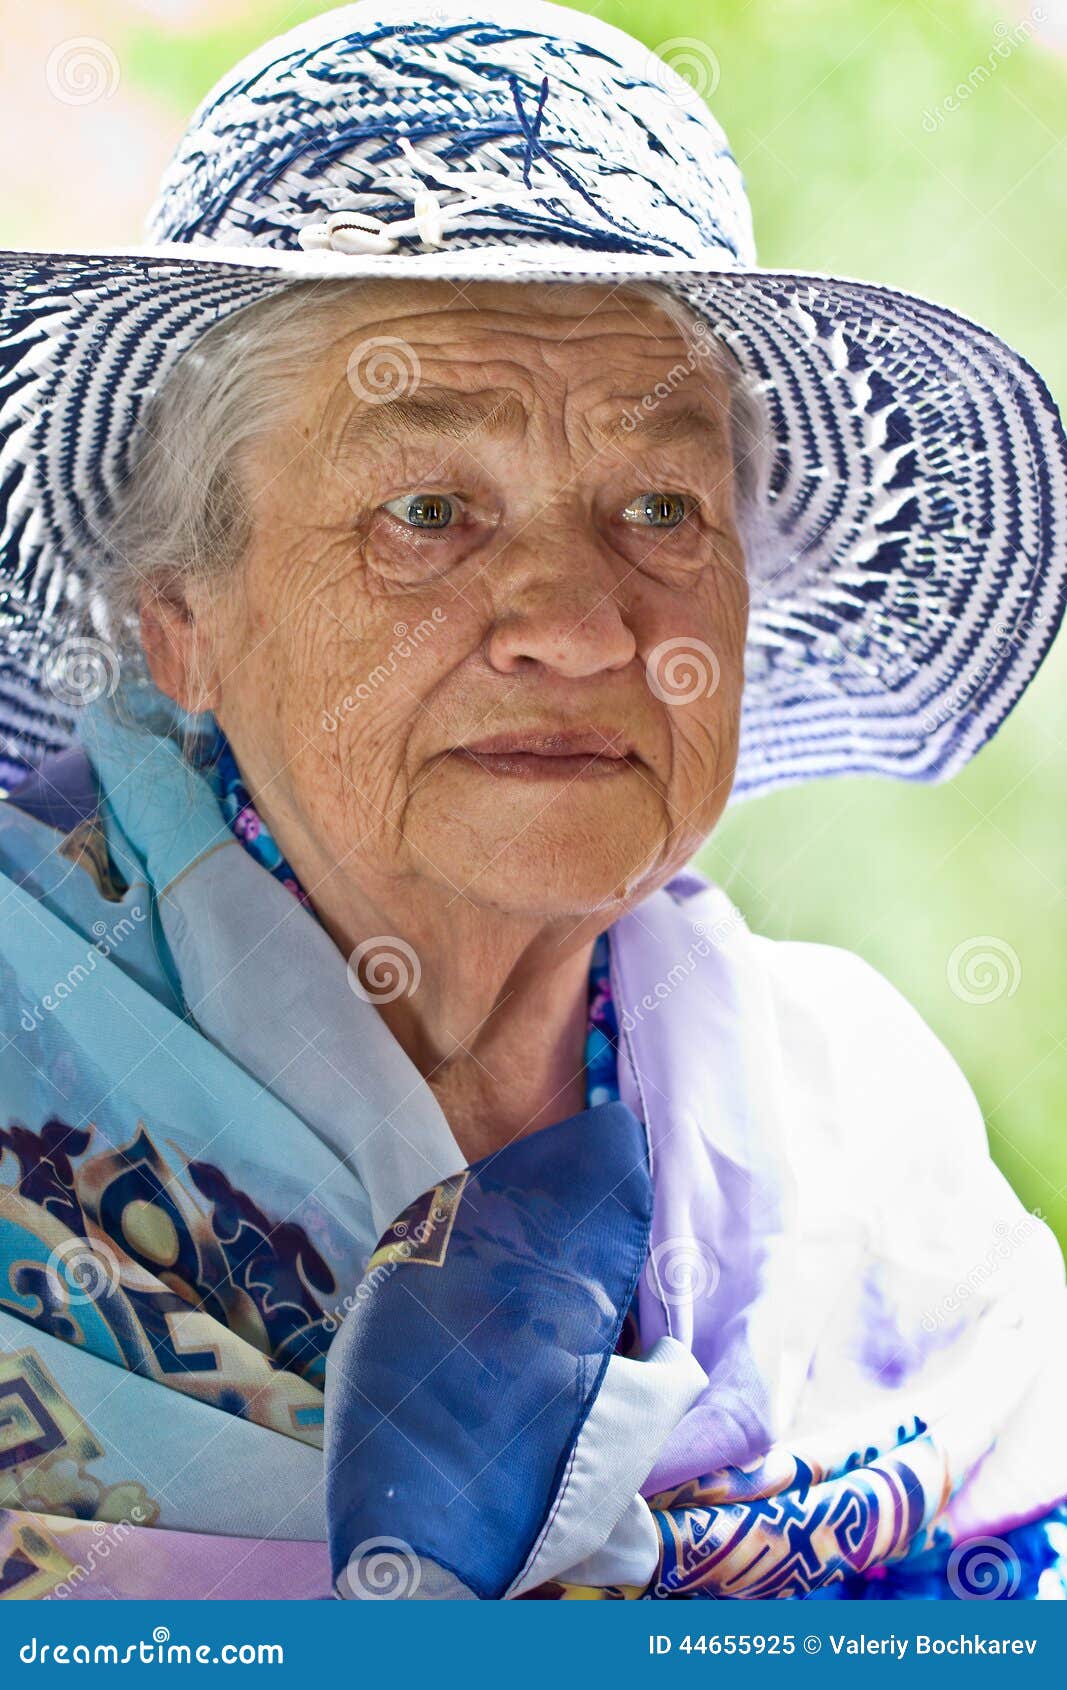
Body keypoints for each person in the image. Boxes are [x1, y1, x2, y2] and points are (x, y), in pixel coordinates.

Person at [0, 1, 1064, 1602]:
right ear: (184, 621)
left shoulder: (875, 1139)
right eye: (429, 508)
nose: (577, 621)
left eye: (659, 504)